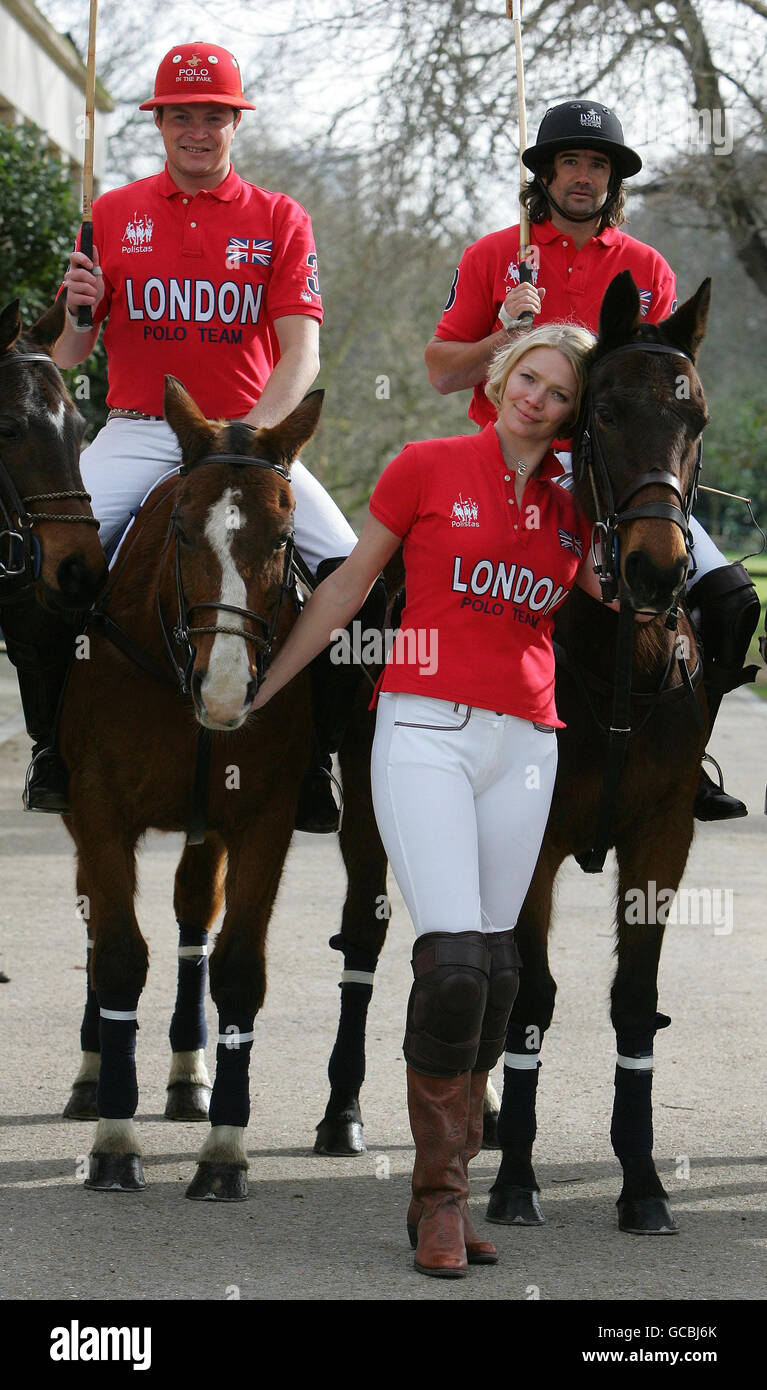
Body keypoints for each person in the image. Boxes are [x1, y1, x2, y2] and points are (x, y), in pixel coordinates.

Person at [249, 323, 600, 1276]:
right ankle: (437, 1204)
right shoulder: (427, 464)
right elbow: (347, 588)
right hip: (423, 728)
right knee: (449, 963)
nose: (536, 399)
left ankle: (457, 1187)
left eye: (559, 392)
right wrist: (263, 689)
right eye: (527, 378)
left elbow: (630, 591)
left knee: (495, 966)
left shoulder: (581, 504)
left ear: (576, 411)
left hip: (526, 741)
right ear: (499, 375)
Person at [21, 40, 381, 825]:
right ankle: (52, 745)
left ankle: (313, 755)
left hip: (247, 438)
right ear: (159, 123)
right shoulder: (111, 214)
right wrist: (78, 311)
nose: (196, 129)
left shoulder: (280, 218)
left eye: (212, 115)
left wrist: (252, 440)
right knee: (49, 564)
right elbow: (72, 354)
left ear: (233, 123)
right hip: (141, 430)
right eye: (180, 115)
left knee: (355, 579)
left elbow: (301, 352)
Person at [425, 100, 761, 820]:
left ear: (613, 181)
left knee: (731, 599)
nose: (583, 177)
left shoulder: (646, 267)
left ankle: (683, 753)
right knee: (393, 585)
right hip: (513, 465)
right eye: (570, 162)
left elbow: (668, 385)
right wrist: (504, 334)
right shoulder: (494, 256)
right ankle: (394, 737)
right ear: (544, 174)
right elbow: (440, 370)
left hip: (616, 474)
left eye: (597, 165)